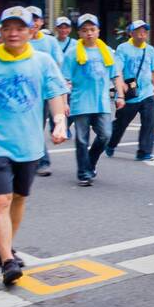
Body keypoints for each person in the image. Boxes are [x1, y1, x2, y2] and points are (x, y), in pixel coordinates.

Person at [0, 6, 69, 285]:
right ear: (0, 32)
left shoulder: (42, 61)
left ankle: (3, 246)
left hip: (30, 144)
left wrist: (59, 122)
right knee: (0, 200)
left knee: (19, 198)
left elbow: (56, 93)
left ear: (32, 31)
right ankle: (8, 260)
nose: (13, 33)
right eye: (8, 28)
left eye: (20, 28)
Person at [61, 14, 124, 186]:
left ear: (98, 31)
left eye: (92, 29)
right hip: (80, 103)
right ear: (79, 33)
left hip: (102, 102)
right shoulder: (72, 53)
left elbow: (116, 75)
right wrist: (64, 102)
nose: (89, 33)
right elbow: (64, 80)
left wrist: (120, 95)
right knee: (82, 140)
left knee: (105, 135)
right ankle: (84, 173)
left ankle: (90, 162)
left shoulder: (107, 52)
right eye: (84, 30)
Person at [107, 20, 154, 162]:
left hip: (147, 92)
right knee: (122, 122)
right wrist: (121, 85)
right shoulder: (123, 48)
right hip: (130, 92)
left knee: (149, 121)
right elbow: (117, 68)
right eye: (139, 30)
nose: (142, 33)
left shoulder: (149, 50)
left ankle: (144, 152)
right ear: (131, 33)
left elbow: (153, 71)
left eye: (145, 30)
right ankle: (110, 143)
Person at [29, 7, 64, 177]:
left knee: (38, 126)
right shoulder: (22, 39)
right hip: (26, 92)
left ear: (42, 22)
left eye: (37, 19)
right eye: (31, 19)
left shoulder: (50, 42)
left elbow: (56, 65)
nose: (34, 22)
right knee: (33, 126)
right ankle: (39, 160)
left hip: (44, 92)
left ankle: (39, 160)